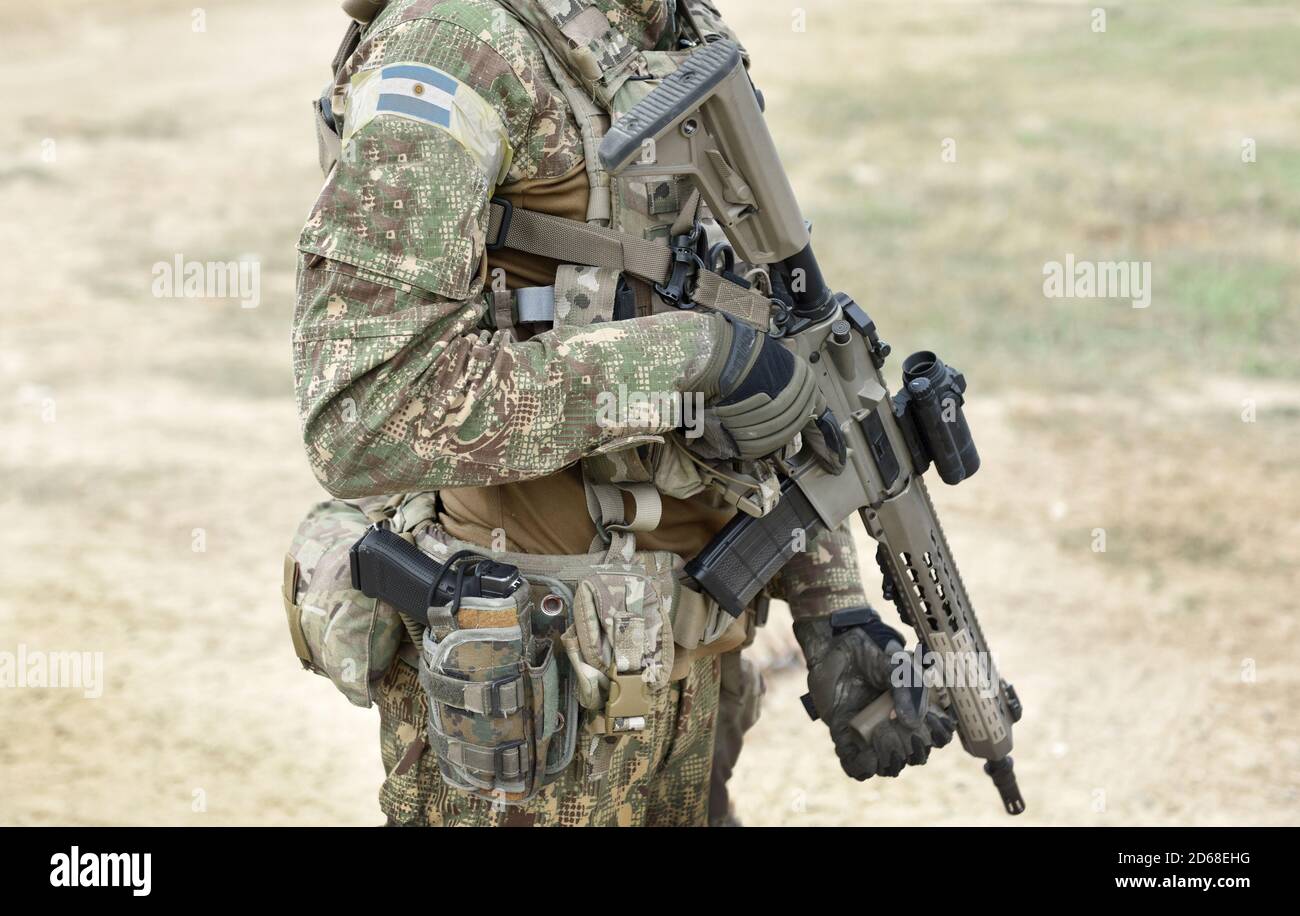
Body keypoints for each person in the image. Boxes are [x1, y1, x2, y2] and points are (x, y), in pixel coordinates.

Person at [290, 0, 952, 826]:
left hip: (696, 674)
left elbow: (774, 336)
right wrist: (690, 359)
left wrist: (830, 599)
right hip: (533, 703)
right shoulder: (459, 44)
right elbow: (364, 414)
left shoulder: (678, 32)